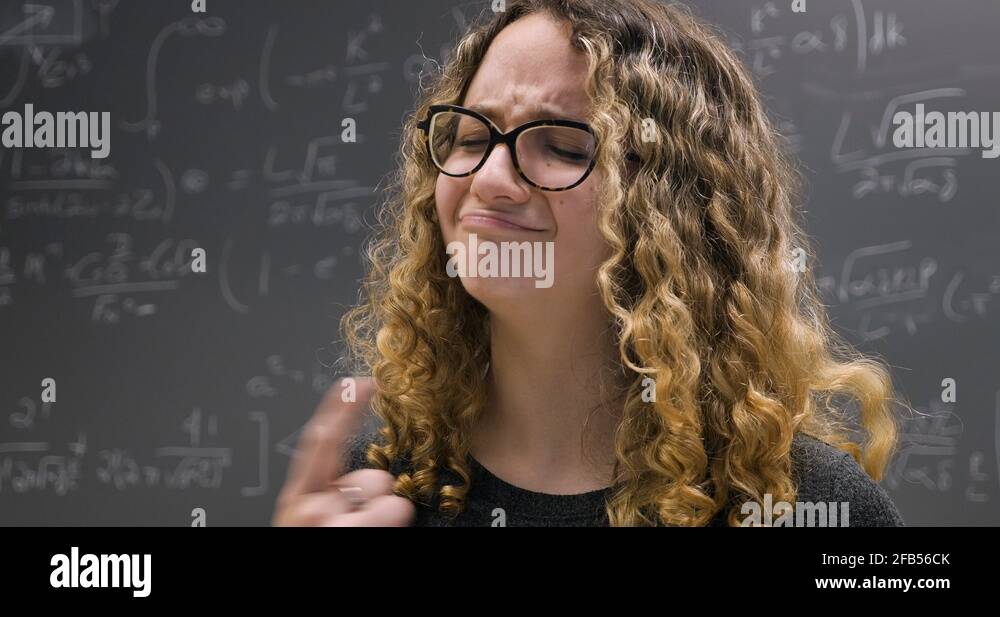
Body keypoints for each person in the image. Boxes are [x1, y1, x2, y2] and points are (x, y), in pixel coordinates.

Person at [273, 0, 905, 527]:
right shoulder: (378, 488)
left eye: (562, 145)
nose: (491, 179)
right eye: (471, 136)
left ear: (673, 207)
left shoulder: (808, 506)